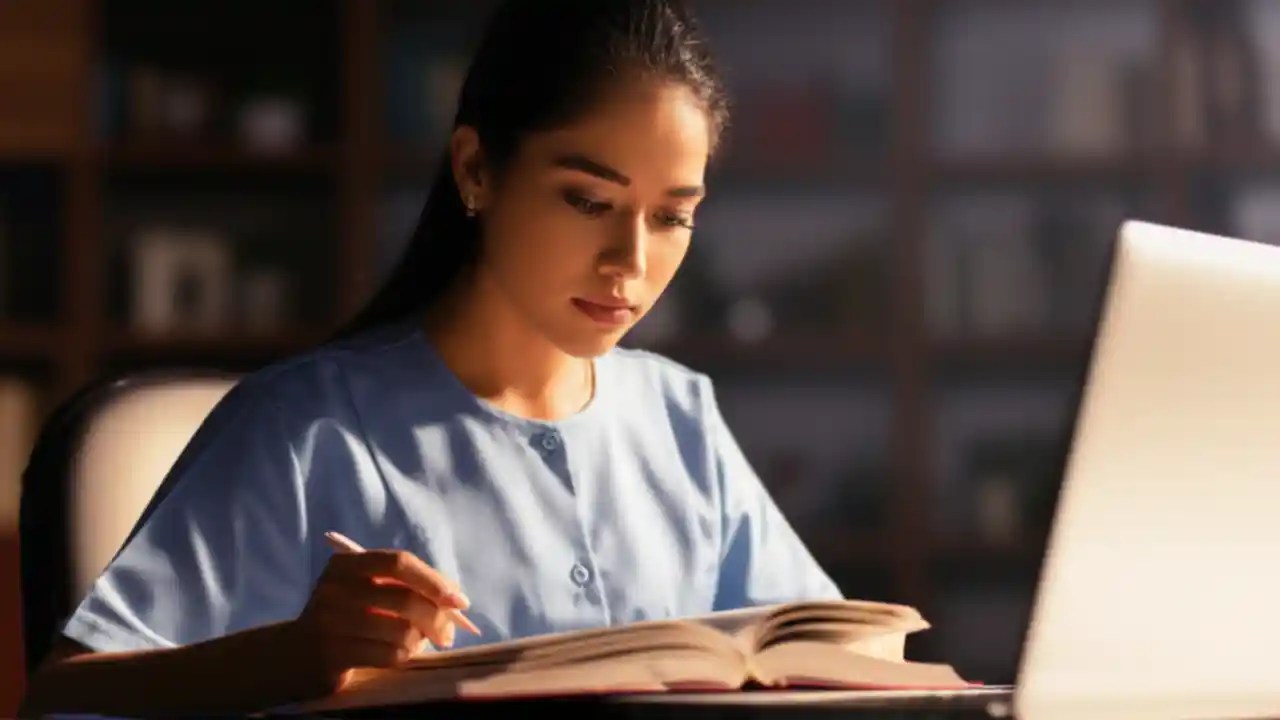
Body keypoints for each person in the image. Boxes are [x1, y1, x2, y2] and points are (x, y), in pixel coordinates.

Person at [20, 0, 842, 715]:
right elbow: (60, 698)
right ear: (476, 169)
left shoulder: (677, 415)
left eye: (672, 217)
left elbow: (823, 656)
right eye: (588, 200)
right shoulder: (306, 429)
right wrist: (291, 655)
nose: (629, 261)